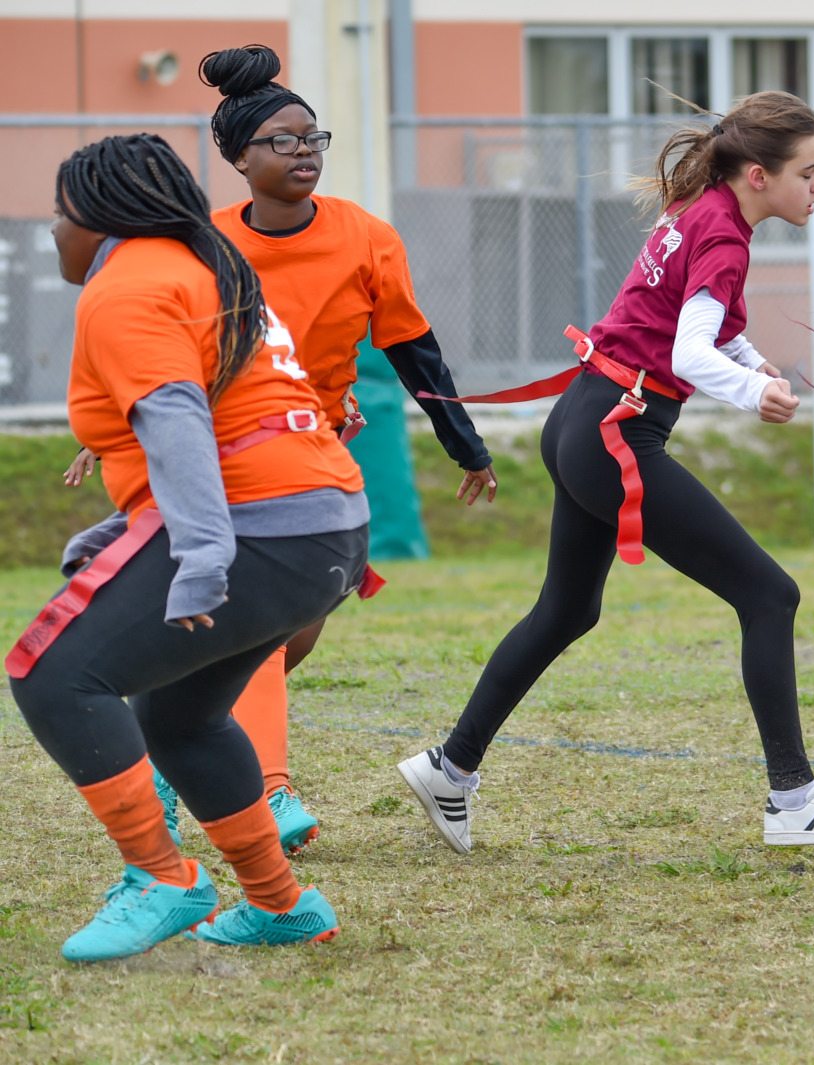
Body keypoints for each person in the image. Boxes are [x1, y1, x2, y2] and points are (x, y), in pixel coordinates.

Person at [397, 91, 814, 853]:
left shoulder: (702, 206)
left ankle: (450, 765)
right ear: (760, 175)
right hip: (615, 432)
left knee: (567, 610)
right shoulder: (725, 235)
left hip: (580, 416)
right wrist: (752, 390)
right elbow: (686, 349)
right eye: (811, 171)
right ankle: (794, 797)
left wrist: (745, 355)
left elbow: (674, 314)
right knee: (771, 594)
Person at [62, 44, 500, 856]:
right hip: (223, 448)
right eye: (282, 140)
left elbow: (414, 349)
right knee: (252, 624)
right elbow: (149, 345)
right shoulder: (204, 243)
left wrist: (465, 444)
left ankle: (178, 743)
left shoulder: (366, 238)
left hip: (316, 451)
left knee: (290, 633)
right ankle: (268, 790)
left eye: (313, 138)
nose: (304, 151)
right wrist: (106, 435)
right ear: (237, 158)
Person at [8, 134, 367, 959]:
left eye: (59, 215)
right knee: (181, 717)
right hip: (325, 522)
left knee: (51, 674)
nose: (52, 232)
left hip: (257, 531)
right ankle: (281, 905)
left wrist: (202, 561)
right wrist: (123, 533)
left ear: (99, 220)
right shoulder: (204, 266)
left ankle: (161, 877)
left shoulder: (127, 288)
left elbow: (177, 421)